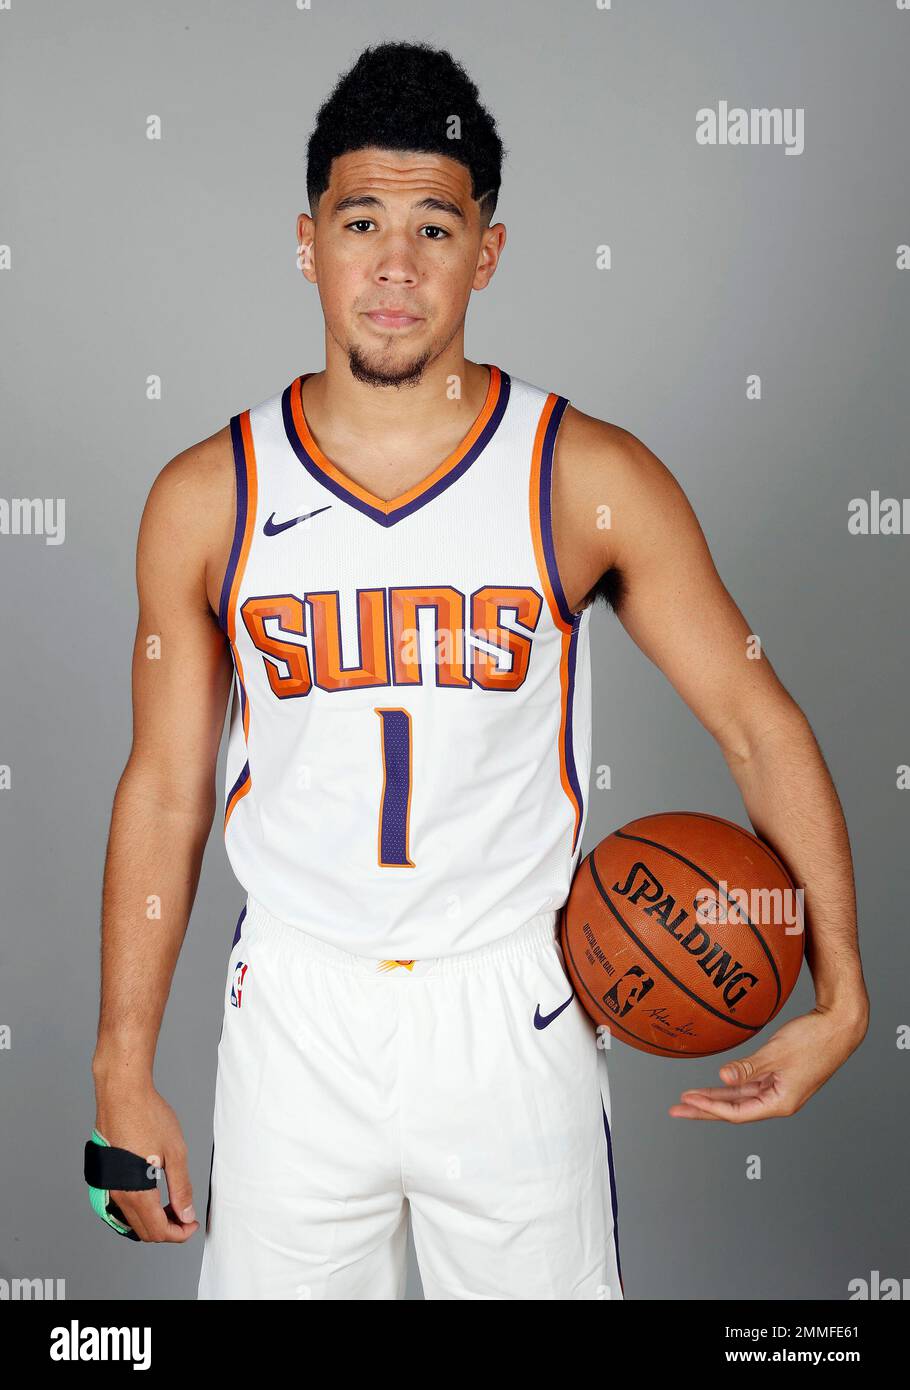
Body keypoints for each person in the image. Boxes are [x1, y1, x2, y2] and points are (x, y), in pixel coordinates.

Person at [90, 40, 869, 1300]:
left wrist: (840, 992)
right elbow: (166, 790)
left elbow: (755, 723)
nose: (394, 265)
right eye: (361, 222)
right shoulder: (207, 495)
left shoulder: (585, 478)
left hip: (514, 1001)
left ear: (485, 252)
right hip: (293, 1007)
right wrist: (121, 1065)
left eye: (435, 228)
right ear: (307, 242)